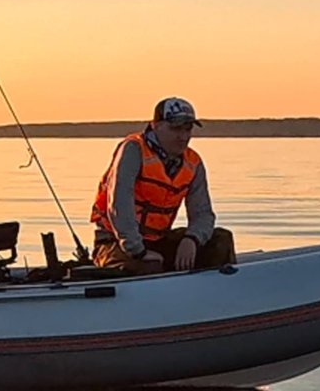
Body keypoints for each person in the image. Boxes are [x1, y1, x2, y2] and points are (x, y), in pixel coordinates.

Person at [89, 97, 236, 274]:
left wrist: (192, 239)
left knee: (221, 240)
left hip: (158, 240)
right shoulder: (133, 150)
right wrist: (139, 251)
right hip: (115, 242)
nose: (182, 136)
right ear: (156, 126)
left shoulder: (193, 162)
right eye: (175, 128)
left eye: (187, 129)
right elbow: (119, 206)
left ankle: (217, 294)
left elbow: (203, 214)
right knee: (149, 267)